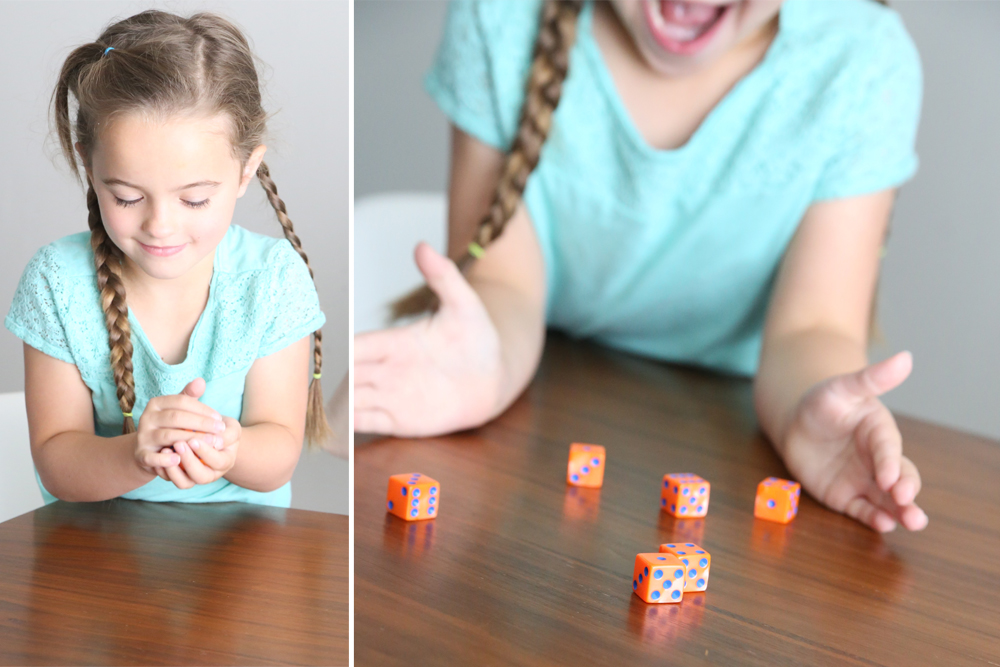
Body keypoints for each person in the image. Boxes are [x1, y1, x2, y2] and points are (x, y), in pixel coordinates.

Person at [354, 0, 929, 532]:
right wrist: (486, 366)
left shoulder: (864, 63)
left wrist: (813, 408)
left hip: (737, 448)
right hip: (533, 445)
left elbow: (815, 328)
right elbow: (506, 283)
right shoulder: (501, 17)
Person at [5, 10, 330, 507]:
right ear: (90, 168)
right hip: (93, 551)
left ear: (246, 171)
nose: (160, 225)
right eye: (128, 198)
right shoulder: (57, 282)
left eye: (194, 199)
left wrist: (226, 447)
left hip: (243, 551)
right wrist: (136, 454)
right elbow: (56, 460)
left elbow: (279, 450)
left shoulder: (272, 279)